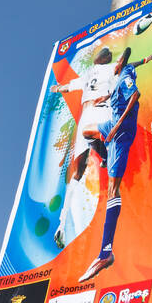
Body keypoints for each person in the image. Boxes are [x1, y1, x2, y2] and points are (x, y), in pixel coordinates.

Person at [77, 51, 152, 282]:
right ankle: (103, 156)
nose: (112, 67)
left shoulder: (125, 77)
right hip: (112, 121)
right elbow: (134, 63)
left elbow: (135, 95)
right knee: (87, 131)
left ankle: (105, 253)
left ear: (119, 64)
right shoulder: (127, 69)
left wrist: (115, 128)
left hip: (120, 133)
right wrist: (146, 59)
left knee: (113, 189)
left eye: (116, 62)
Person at [51, 47, 118, 249]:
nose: (99, 55)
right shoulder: (89, 73)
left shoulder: (110, 68)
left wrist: (140, 60)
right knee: (77, 171)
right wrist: (58, 88)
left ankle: (106, 154)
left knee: (98, 136)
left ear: (106, 58)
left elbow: (126, 65)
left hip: (101, 110)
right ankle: (61, 225)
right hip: (86, 114)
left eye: (103, 53)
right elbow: (72, 85)